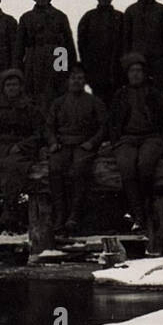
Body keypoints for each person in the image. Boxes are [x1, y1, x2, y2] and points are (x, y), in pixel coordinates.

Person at [0, 68, 44, 233]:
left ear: (21, 87)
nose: (11, 88)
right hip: (1, 147)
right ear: (3, 88)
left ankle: (9, 209)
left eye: (15, 84)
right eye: (8, 85)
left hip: (22, 148)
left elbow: (40, 133)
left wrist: (22, 146)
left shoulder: (30, 106)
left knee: (12, 167)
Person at [108, 52, 163, 235]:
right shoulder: (120, 95)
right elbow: (112, 122)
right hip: (127, 139)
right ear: (127, 74)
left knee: (145, 165)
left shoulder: (154, 93)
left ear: (144, 74)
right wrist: (115, 141)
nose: (135, 74)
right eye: (132, 71)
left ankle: (145, 208)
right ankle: (138, 214)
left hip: (150, 137)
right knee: (126, 166)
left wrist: (162, 140)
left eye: (139, 71)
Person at [46, 64, 107, 234]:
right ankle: (60, 214)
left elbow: (103, 127)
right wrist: (52, 142)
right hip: (63, 144)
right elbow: (49, 126)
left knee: (79, 169)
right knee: (55, 168)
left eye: (80, 78)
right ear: (67, 81)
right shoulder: (58, 102)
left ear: (85, 81)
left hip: (84, 144)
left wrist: (92, 143)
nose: (76, 81)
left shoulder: (94, 102)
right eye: (73, 78)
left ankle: (74, 214)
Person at [15, 0, 77, 112]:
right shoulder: (26, 17)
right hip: (34, 57)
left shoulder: (60, 16)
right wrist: (18, 67)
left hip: (57, 55)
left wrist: (70, 66)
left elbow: (68, 43)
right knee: (33, 93)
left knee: (57, 89)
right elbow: (19, 46)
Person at [77, 0, 124, 103]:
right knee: (99, 103)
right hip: (96, 70)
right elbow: (82, 45)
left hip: (117, 70)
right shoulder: (88, 18)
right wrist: (87, 67)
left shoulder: (120, 17)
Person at [122, 0, 163, 92]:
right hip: (137, 62)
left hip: (158, 62)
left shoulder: (162, 10)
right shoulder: (131, 11)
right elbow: (126, 39)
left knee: (158, 93)